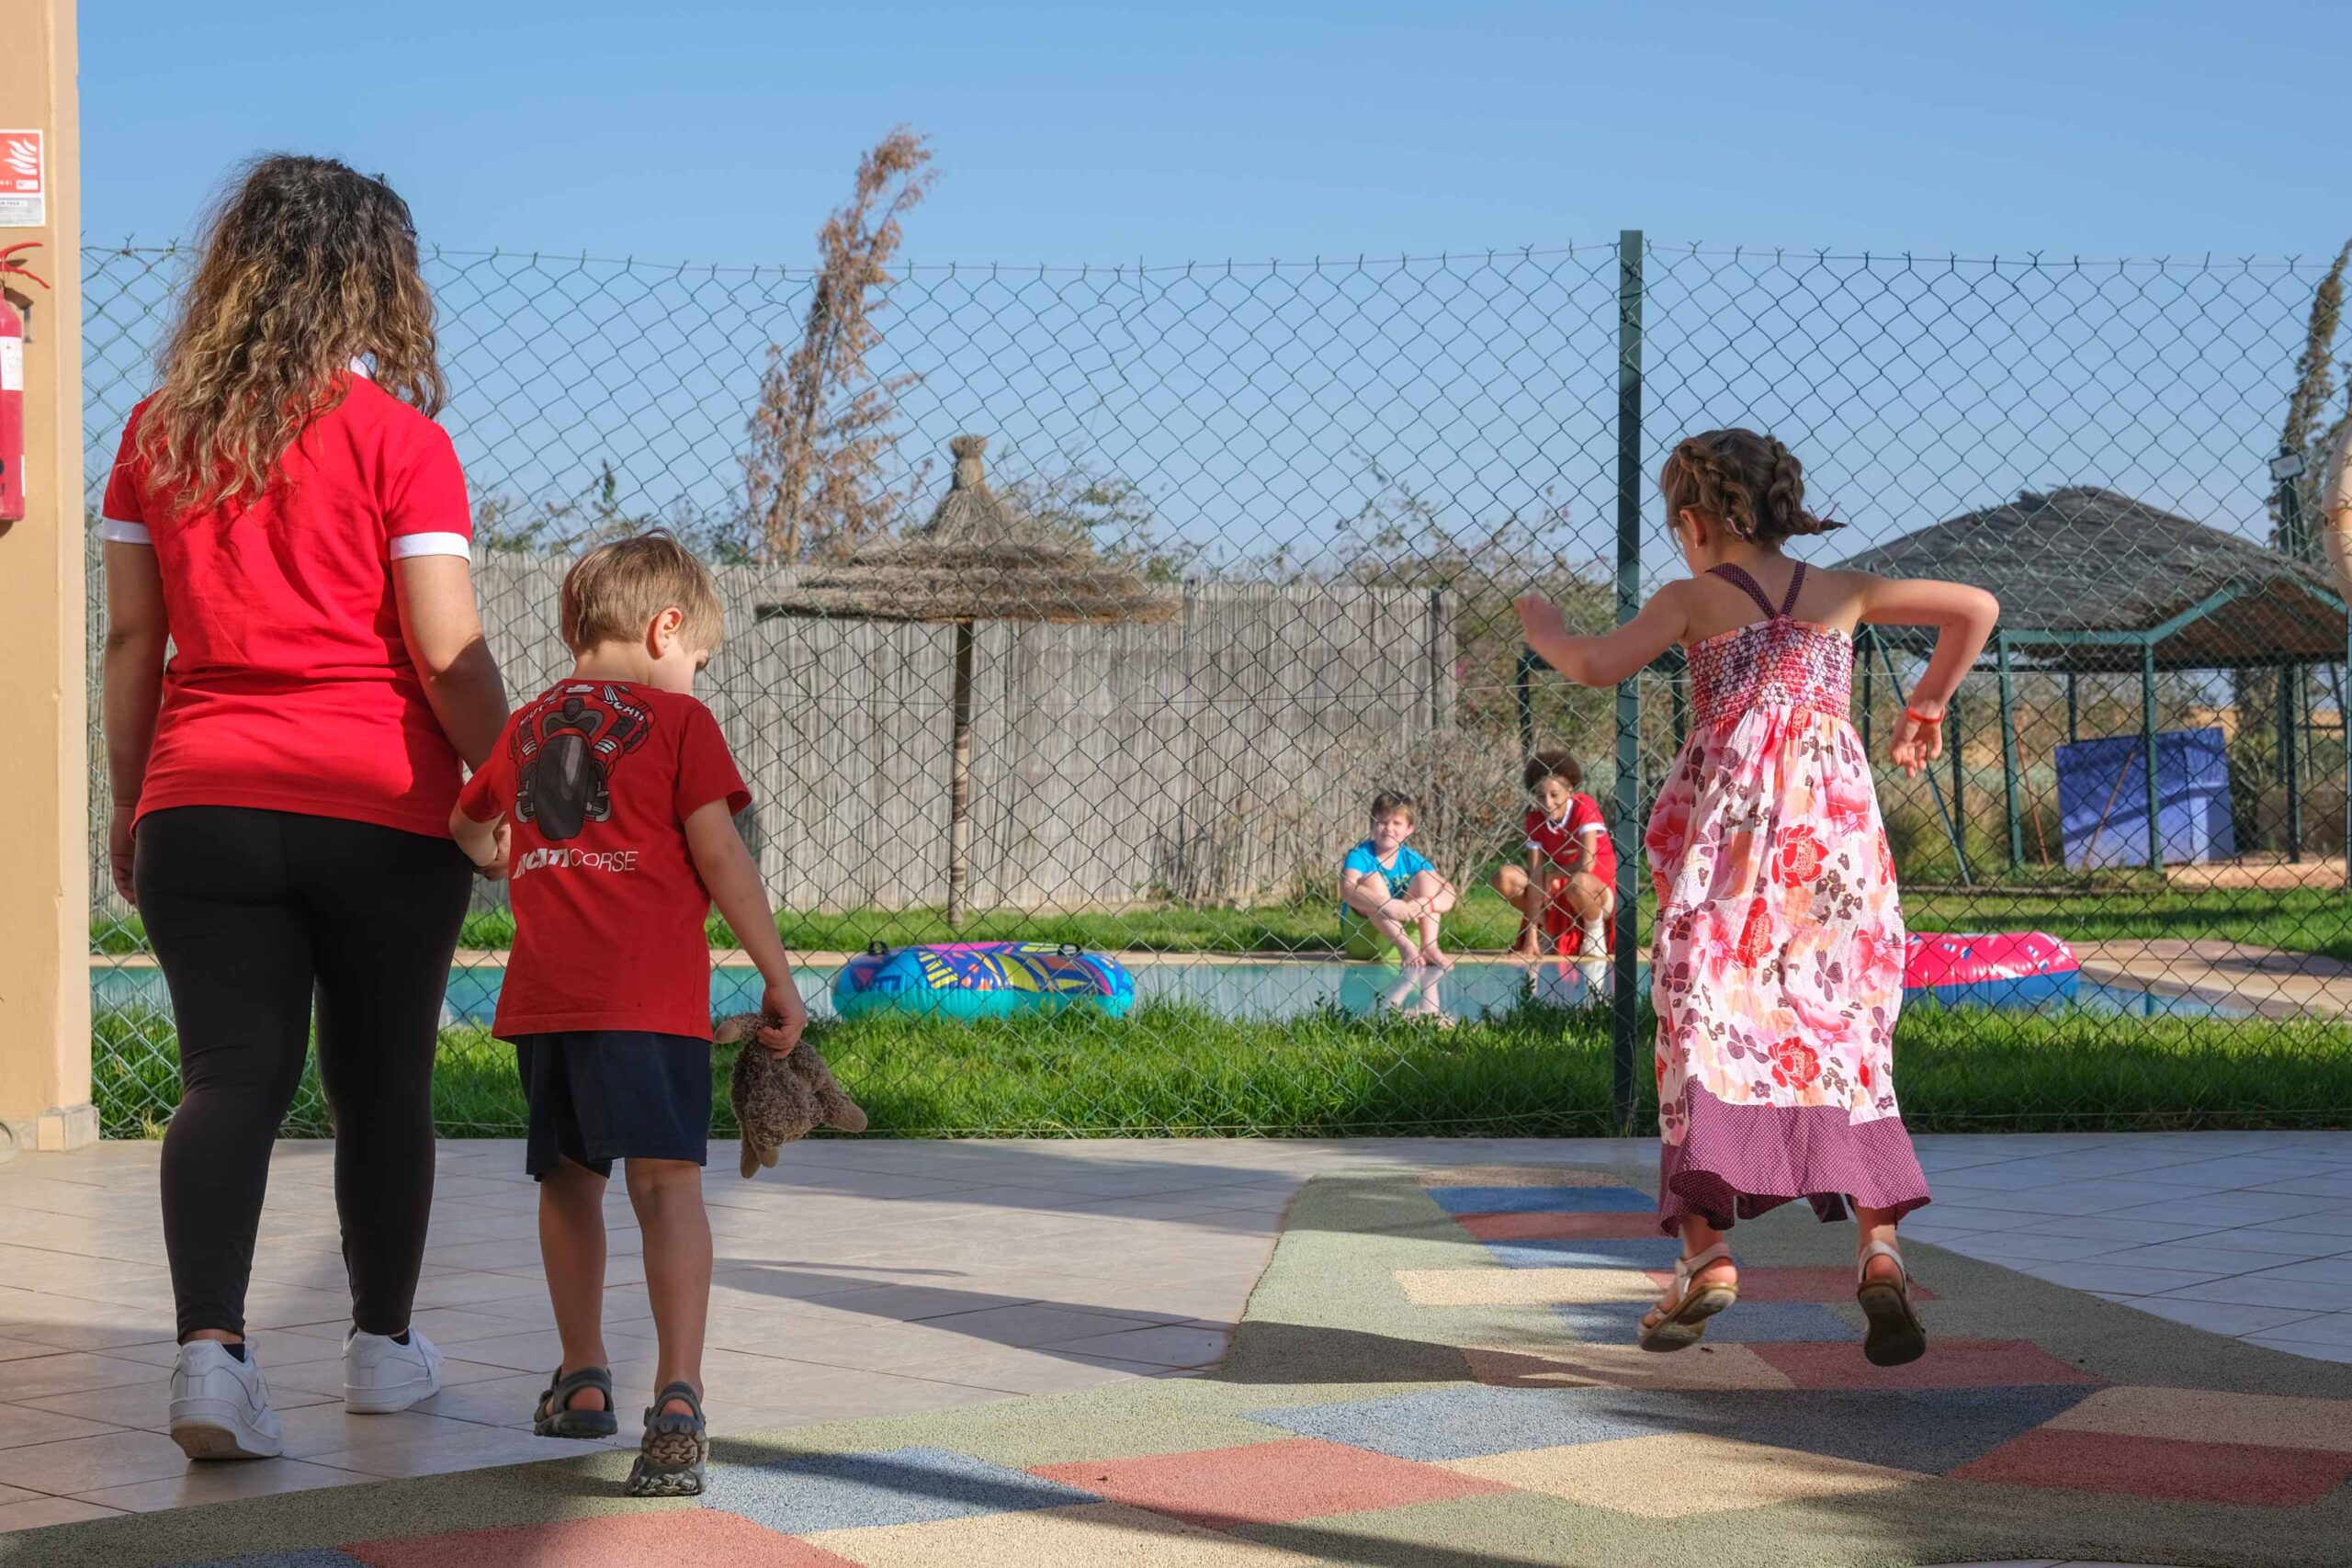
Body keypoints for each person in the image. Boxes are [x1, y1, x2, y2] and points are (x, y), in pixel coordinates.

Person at [101, 156, 510, 1460]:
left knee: (229, 1076)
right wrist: (509, 786)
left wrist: (134, 803)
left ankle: (211, 1358)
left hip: (202, 801)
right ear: (376, 284)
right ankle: (383, 1349)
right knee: (382, 1079)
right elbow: (446, 653)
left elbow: (130, 645)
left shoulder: (157, 434)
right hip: (382, 806)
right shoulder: (404, 444)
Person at [1515, 427, 1996, 1368]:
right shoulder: (1843, 592)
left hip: (1738, 854)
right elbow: (1973, 607)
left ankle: (1705, 1257)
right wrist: (1927, 702)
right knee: (1846, 1030)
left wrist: (1546, 632)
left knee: (1699, 1021)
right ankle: (1881, 1249)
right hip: (1832, 855)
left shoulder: (1693, 598)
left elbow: (1597, 667)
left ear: (1694, 522)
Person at [451, 532, 807, 1498]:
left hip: (550, 1004)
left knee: (569, 1183)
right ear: (666, 629)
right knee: (667, 1189)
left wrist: (497, 855)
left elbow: (467, 822)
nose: (694, 675)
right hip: (651, 1007)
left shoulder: (526, 727)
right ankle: (680, 1399)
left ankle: (580, 1382)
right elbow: (724, 859)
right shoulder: (683, 728)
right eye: (698, 658)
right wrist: (776, 975)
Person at [1492, 750, 1615, 981]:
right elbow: (1537, 875)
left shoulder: (1583, 806)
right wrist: (1530, 935)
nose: (1547, 803)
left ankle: (1593, 931)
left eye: (1554, 795)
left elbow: (1587, 863)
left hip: (1595, 890)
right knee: (1505, 876)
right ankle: (1546, 930)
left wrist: (1553, 875)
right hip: (1561, 888)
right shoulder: (1535, 819)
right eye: (1540, 796)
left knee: (1580, 882)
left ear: (1570, 791)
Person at [1339, 792, 1459, 970]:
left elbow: (1449, 892)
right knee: (1370, 880)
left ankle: (1430, 947)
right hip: (1365, 940)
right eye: (1383, 822)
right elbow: (1347, 889)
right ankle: (1405, 946)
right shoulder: (1360, 855)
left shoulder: (1411, 858)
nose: (1388, 828)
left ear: (1409, 829)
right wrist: (1385, 904)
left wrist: (1429, 905)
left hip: (1411, 935)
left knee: (1428, 879)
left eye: (1396, 823)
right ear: (1373, 823)